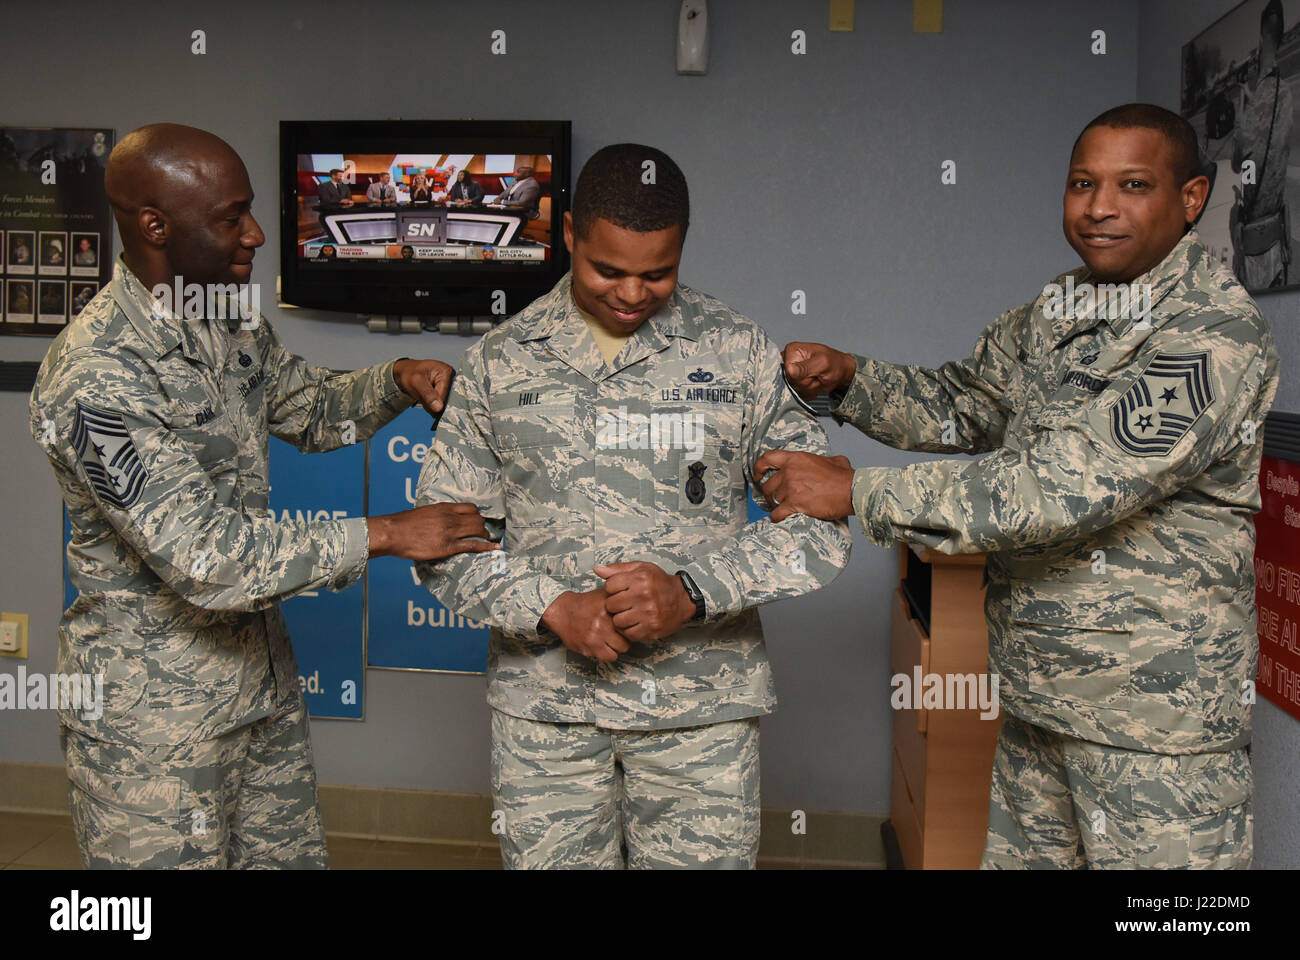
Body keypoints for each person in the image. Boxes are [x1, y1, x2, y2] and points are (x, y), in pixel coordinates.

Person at [764, 103, 1279, 869]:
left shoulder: (1212, 336)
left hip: (1151, 727)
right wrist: (850, 379)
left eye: (1132, 184)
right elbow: (966, 402)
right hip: (1041, 696)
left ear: (1193, 199)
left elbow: (1064, 485)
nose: (1099, 207)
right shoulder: (1062, 310)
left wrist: (859, 492)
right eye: (1082, 184)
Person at [29, 123, 499, 869]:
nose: (256, 234)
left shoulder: (224, 314)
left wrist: (396, 379)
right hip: (156, 725)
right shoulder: (95, 377)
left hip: (258, 685)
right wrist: (386, 533)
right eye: (229, 217)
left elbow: (307, 408)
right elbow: (206, 558)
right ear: (154, 226)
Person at [414, 143, 851, 869]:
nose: (631, 293)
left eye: (658, 273)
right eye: (607, 270)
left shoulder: (738, 354)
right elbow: (444, 541)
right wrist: (552, 606)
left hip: (699, 716)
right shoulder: (499, 361)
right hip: (546, 715)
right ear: (570, 234)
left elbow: (819, 527)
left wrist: (690, 592)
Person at [1231, 0, 1292, 289]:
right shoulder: (1287, 92)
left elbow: (1240, 163)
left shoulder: (1258, 99)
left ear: (1260, 38)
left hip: (1254, 251)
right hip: (1277, 242)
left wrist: (1243, 109)